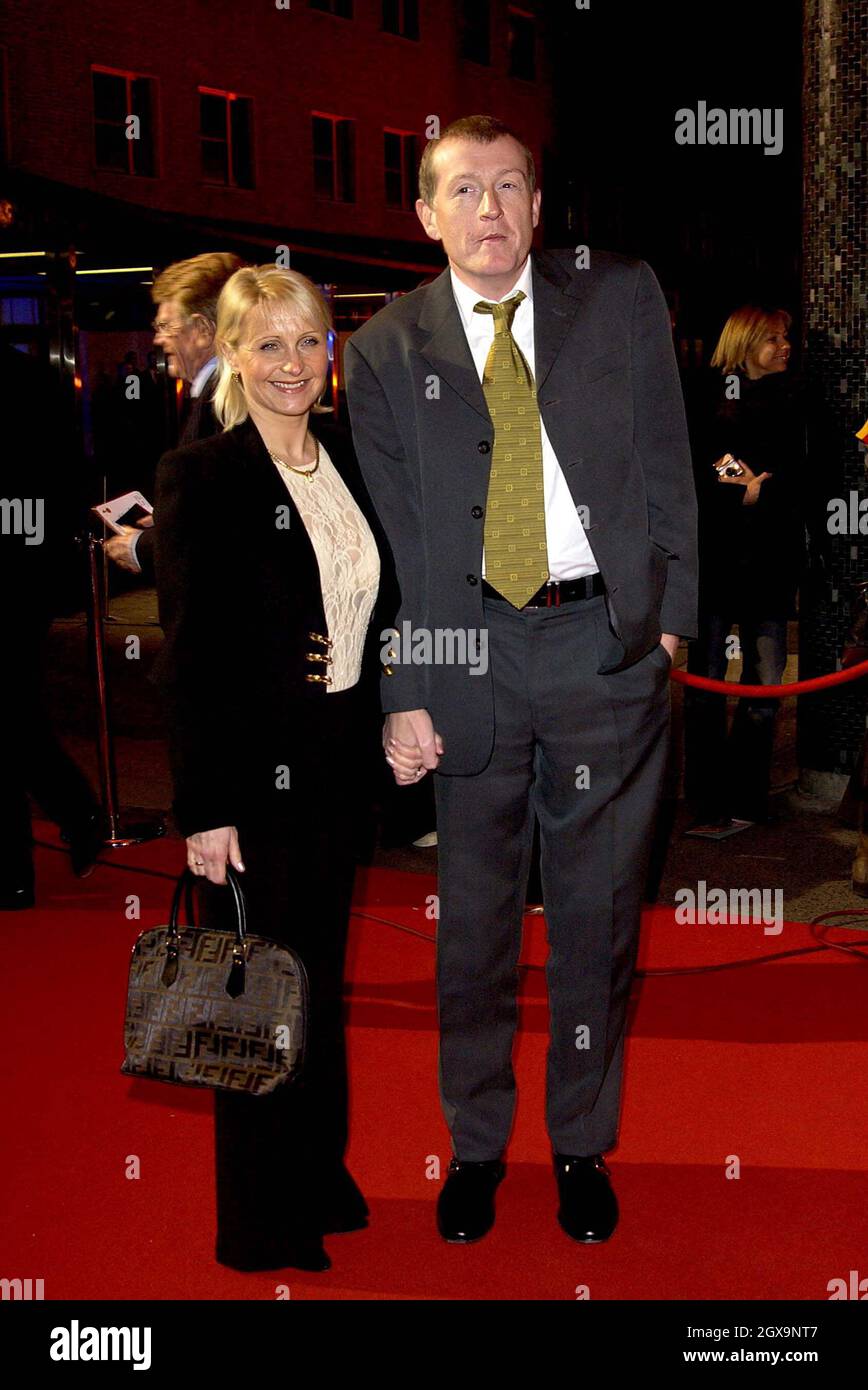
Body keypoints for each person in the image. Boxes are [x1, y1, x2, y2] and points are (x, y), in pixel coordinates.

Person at [344, 115, 697, 1245]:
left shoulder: (621, 297)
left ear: (539, 207)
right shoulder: (385, 348)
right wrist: (403, 681)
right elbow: (393, 544)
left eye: (508, 186)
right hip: (465, 655)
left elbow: (667, 464)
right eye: (463, 189)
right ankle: (479, 1144)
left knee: (594, 920)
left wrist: (672, 624)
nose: (488, 209)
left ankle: (581, 1145)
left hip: (601, 644)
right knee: (475, 924)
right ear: (425, 213)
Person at [149, 264, 395, 1272]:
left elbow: (375, 600)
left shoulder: (347, 455)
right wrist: (204, 807)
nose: (290, 364)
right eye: (267, 345)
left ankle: (317, 1174)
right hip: (252, 782)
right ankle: (258, 1217)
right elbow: (188, 652)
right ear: (234, 356)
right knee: (257, 998)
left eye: (306, 342)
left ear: (327, 348)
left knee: (320, 984)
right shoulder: (203, 475)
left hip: (337, 769)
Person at [683, 305, 806, 836]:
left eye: (786, 338)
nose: (785, 347)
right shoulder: (707, 393)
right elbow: (698, 455)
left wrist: (765, 486)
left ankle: (749, 794)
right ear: (746, 340)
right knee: (705, 683)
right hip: (715, 564)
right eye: (774, 338)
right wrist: (740, 480)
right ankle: (707, 796)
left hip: (771, 568)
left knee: (766, 682)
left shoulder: (794, 396)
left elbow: (805, 469)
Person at [0, 343, 102, 909]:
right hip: (29, 575)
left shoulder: (24, 378)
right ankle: (75, 810)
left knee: (10, 717)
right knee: (16, 716)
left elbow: (58, 478)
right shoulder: (34, 374)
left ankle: (14, 871)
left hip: (16, 576)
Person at [105, 252, 243, 579]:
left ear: (204, 330)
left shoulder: (227, 403)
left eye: (166, 326)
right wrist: (170, 516)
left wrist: (144, 547)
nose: (157, 338)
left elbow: (231, 526)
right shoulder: (219, 393)